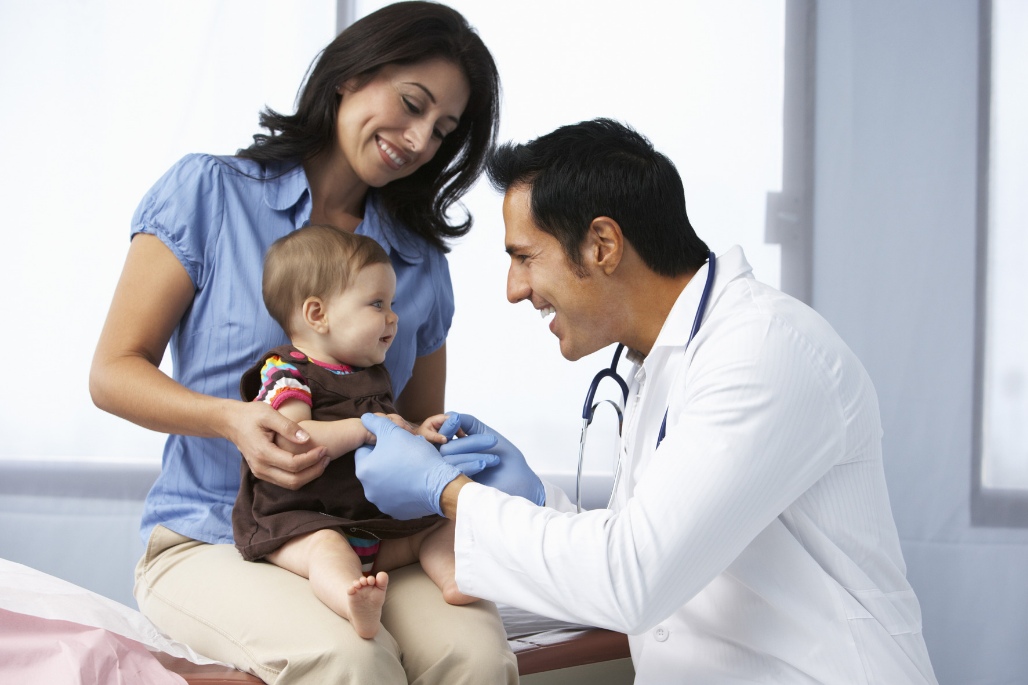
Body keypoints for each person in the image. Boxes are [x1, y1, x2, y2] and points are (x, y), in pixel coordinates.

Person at [354, 119, 940, 684]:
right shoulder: (661, 359)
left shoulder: (762, 351)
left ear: (603, 244)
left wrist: (450, 493)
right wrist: (533, 497)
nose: (515, 289)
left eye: (525, 256)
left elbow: (631, 578)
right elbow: (645, 544)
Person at [89, 3, 517, 683]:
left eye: (441, 130)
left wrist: (436, 438)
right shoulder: (208, 192)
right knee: (353, 659)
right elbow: (112, 372)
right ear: (350, 75)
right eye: (411, 103)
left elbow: (409, 436)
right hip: (211, 535)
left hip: (370, 539)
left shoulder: (419, 264)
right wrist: (231, 419)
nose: (417, 138)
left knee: (478, 655)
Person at [233, 225, 483, 640]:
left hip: (373, 524)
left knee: (441, 524)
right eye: (377, 303)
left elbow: (389, 433)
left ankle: (453, 577)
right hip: (302, 520)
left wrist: (418, 432)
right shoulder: (286, 372)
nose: (393, 317)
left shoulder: (370, 376)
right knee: (327, 552)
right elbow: (292, 436)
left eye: (393, 304)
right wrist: (365, 428)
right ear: (318, 314)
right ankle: (352, 600)